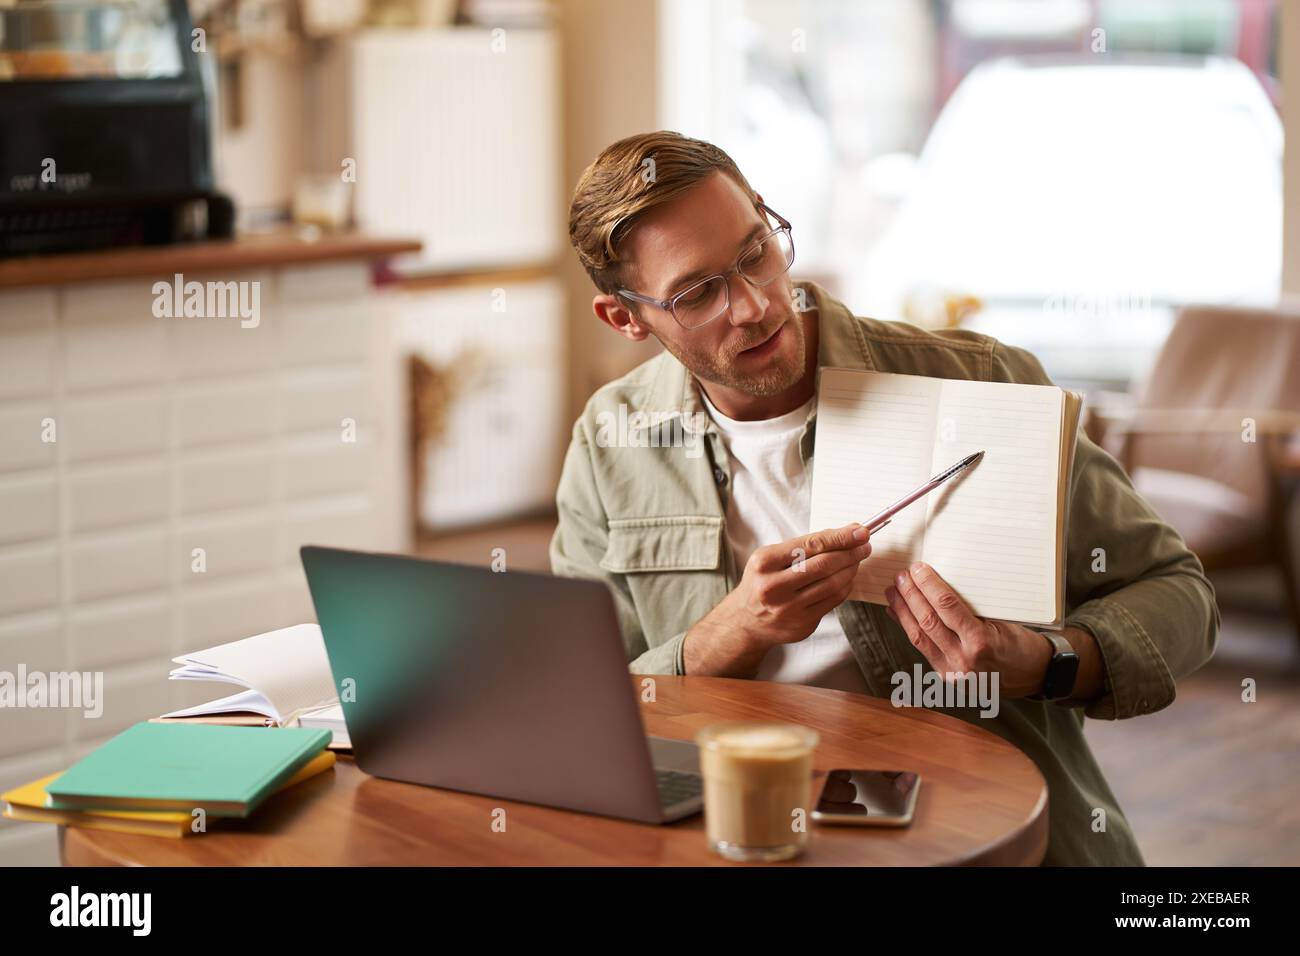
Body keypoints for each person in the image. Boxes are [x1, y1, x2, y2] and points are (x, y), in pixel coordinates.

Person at [551, 130, 1219, 866]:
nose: (752, 306)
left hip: (985, 835)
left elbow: (1181, 594)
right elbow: (587, 715)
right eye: (699, 292)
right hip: (739, 835)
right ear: (626, 318)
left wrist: (1047, 662)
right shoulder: (612, 436)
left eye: (755, 254)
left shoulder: (980, 381)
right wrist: (729, 634)